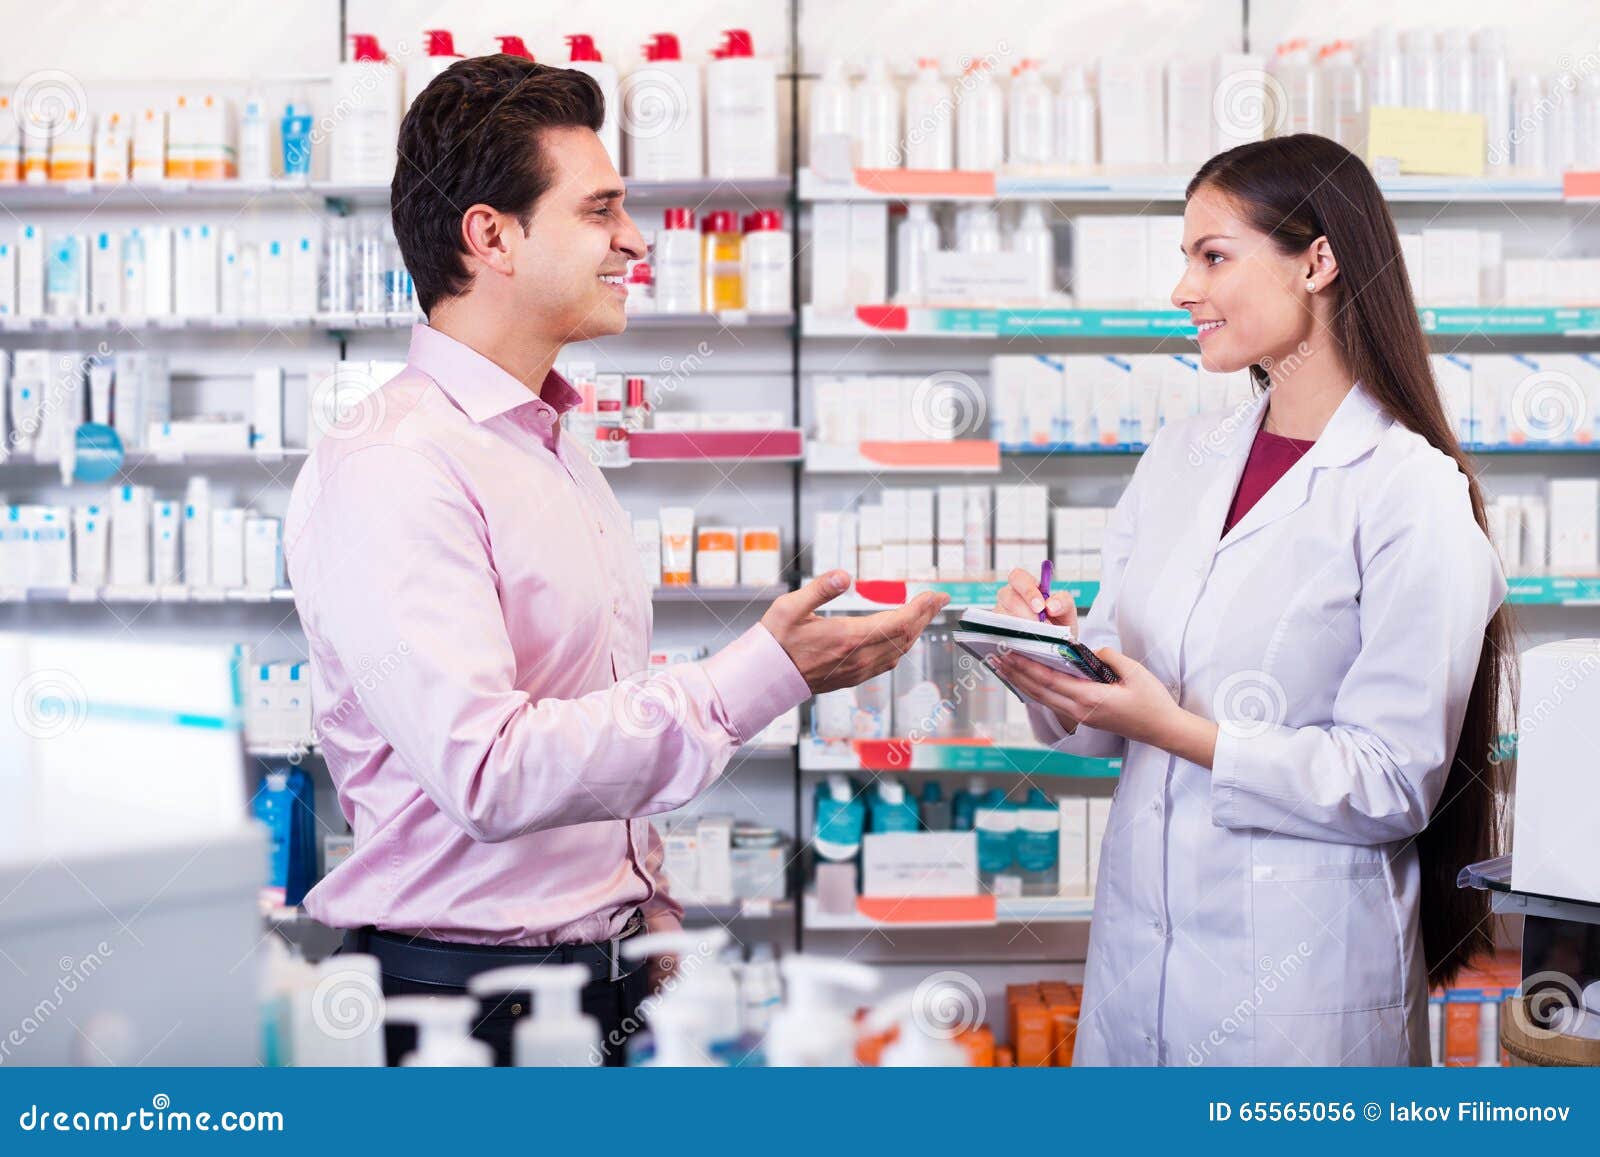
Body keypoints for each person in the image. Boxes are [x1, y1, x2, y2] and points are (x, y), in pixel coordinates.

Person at [284, 55, 947, 1065]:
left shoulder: (549, 440)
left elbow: (587, 711)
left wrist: (644, 905)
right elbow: (490, 768)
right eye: (601, 211)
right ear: (491, 235)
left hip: (607, 973)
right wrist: (759, 677)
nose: (634, 240)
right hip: (468, 1009)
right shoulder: (395, 465)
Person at [991, 134, 1513, 1066]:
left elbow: (1393, 779)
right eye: (1185, 258)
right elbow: (1115, 720)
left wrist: (1183, 729)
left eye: (1212, 255)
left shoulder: (1408, 490)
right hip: (1137, 973)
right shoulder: (1180, 458)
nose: (1182, 290)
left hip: (1300, 999)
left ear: (1318, 260)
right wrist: (1051, 657)